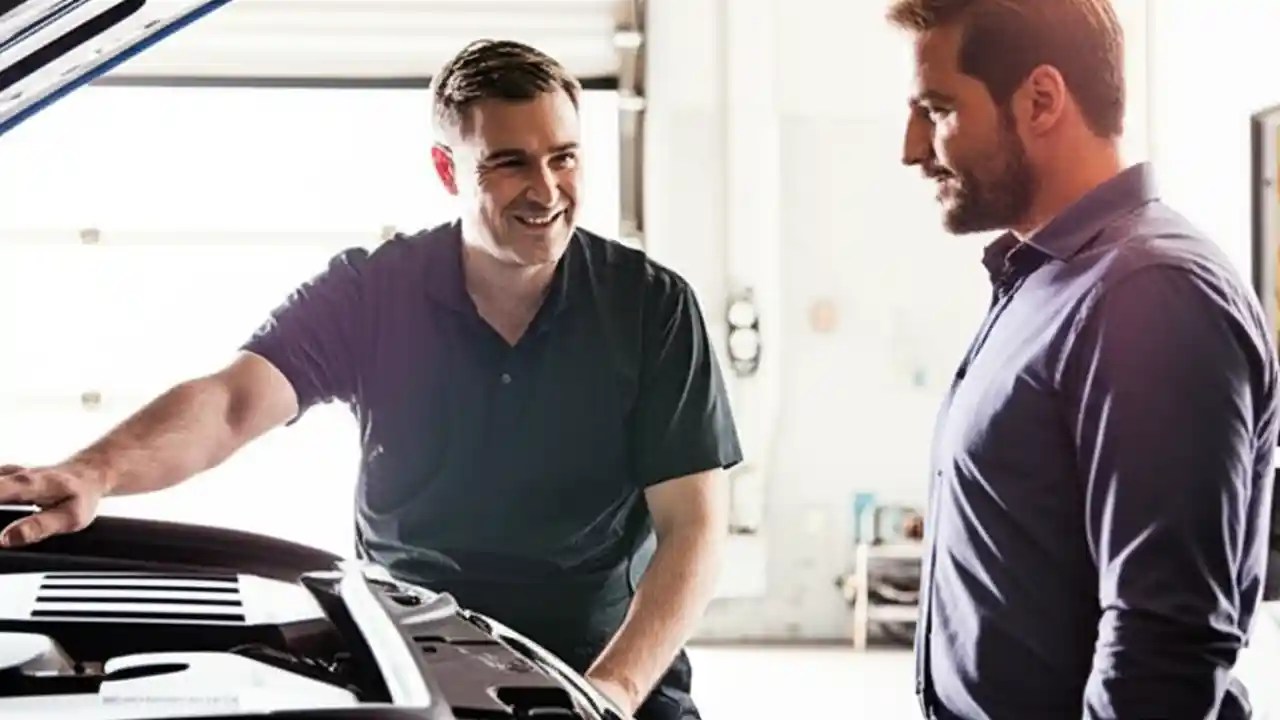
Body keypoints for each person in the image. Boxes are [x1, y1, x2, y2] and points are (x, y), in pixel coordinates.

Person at [0, 39, 741, 720]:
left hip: (604, 666)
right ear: (449, 169)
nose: (546, 189)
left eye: (565, 157)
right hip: (417, 651)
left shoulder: (649, 306)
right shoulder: (371, 293)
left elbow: (693, 528)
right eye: (509, 161)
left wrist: (609, 693)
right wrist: (98, 470)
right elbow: (230, 404)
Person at [885, 0, 1280, 718]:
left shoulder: (1151, 296)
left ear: (1041, 99)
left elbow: (1162, 644)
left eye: (937, 110)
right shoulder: (1047, 280)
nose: (913, 149)